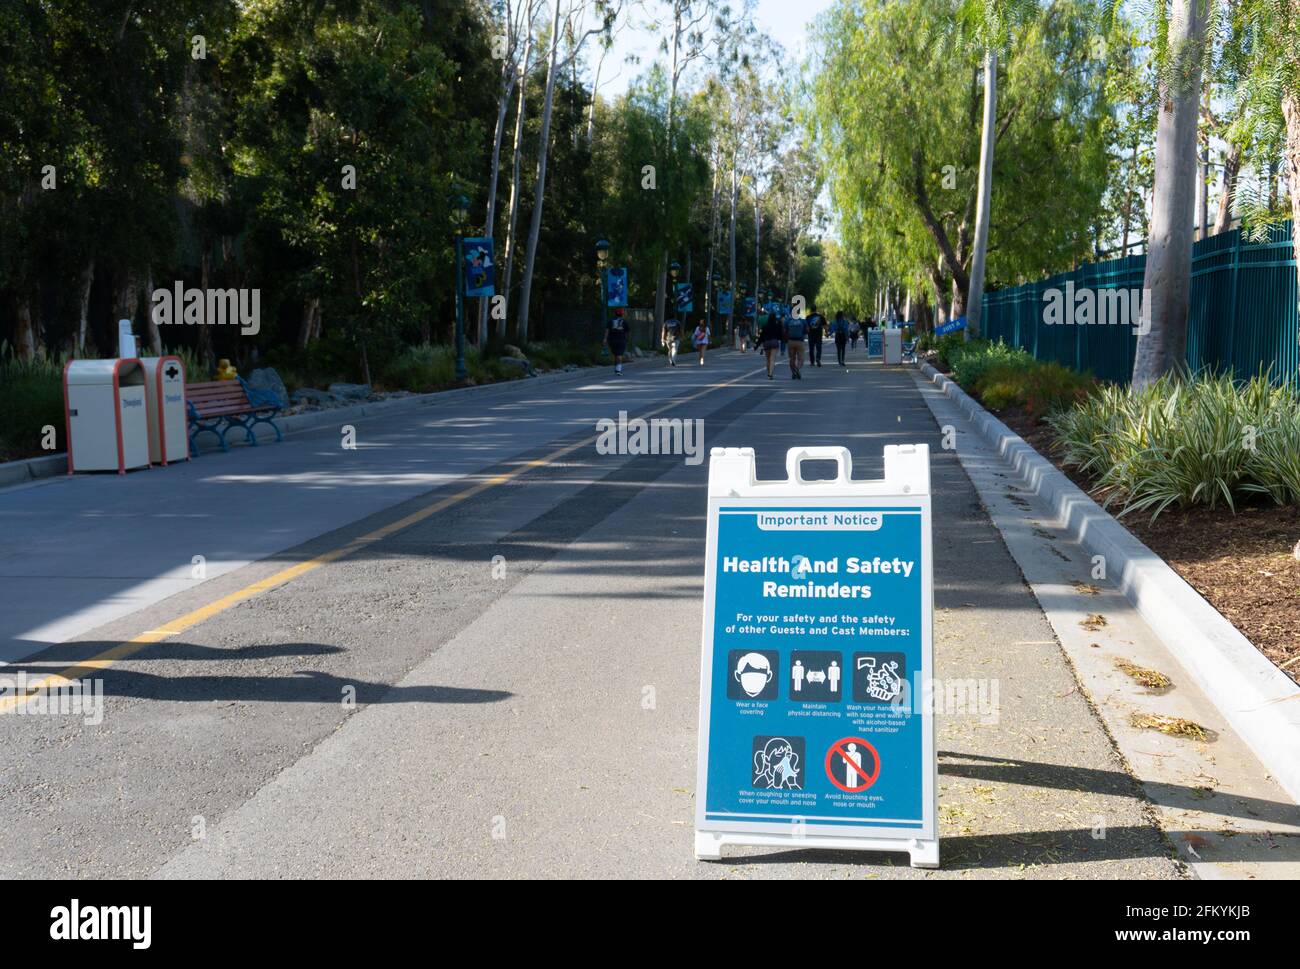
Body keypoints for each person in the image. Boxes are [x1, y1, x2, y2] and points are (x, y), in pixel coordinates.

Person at [758, 312, 784, 379]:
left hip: (766, 343)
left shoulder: (765, 326)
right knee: (772, 359)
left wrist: (757, 345)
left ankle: (768, 372)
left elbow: (761, 337)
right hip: (774, 342)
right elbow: (781, 335)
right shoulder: (777, 325)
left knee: (767, 359)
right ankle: (770, 374)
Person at [605, 307, 629, 376]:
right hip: (621, 339)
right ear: (622, 314)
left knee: (616, 354)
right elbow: (627, 332)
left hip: (612, 340)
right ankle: (618, 369)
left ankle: (617, 368)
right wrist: (627, 339)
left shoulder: (610, 321)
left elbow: (607, 331)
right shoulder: (624, 322)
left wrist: (605, 339)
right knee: (619, 355)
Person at [784, 311, 808, 380]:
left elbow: (784, 331)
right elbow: (807, 330)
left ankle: (793, 372)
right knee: (801, 359)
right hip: (800, 341)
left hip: (790, 341)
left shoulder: (788, 321)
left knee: (792, 358)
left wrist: (787, 338)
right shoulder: (802, 321)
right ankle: (797, 368)